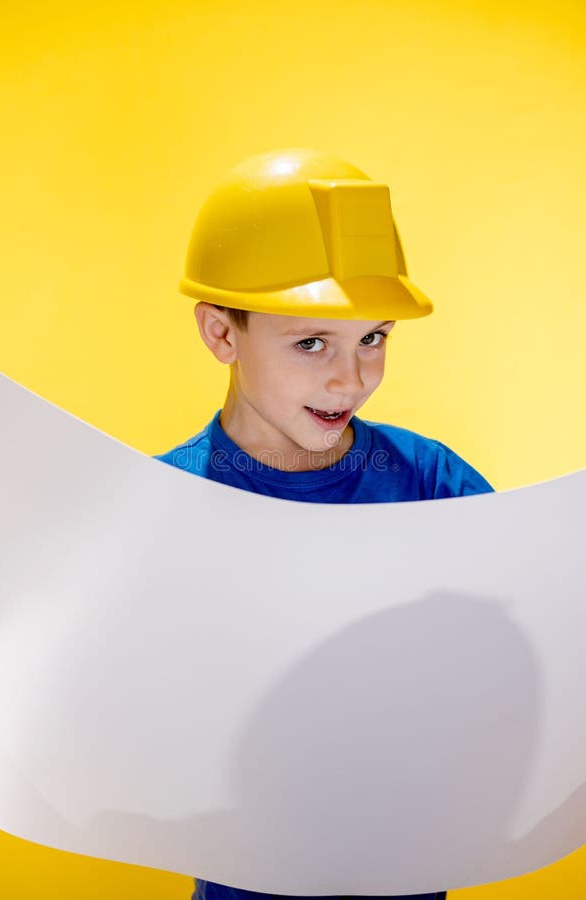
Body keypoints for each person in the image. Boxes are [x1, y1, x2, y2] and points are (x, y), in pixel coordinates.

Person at [154, 148, 494, 900]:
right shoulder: (159, 507)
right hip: (249, 882)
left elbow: (514, 661)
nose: (353, 377)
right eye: (312, 342)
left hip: (411, 872)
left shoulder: (432, 485)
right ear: (221, 335)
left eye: (374, 338)